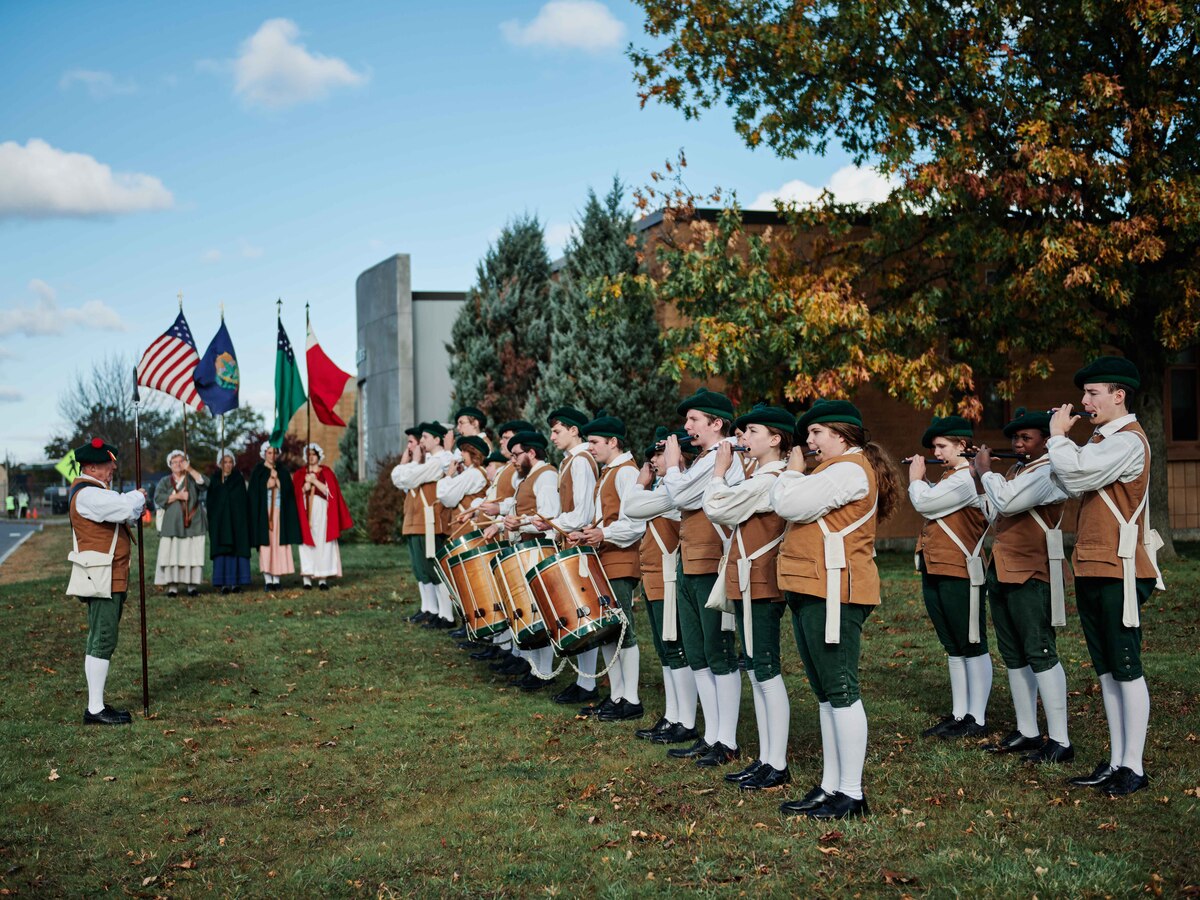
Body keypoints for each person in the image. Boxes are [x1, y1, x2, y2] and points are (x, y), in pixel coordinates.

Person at [770, 399, 902, 820]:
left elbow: (789, 505)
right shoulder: (835, 468)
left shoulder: (848, 468)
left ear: (841, 434)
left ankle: (851, 793)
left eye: (815, 433)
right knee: (827, 694)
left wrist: (790, 471)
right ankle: (831, 786)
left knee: (841, 692)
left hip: (835, 591)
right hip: (816, 586)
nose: (807, 442)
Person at [1048, 356, 1164, 796]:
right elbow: (1073, 479)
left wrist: (1059, 437)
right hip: (1095, 564)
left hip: (1120, 567)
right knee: (1107, 670)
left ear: (1119, 395)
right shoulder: (1101, 439)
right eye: (1084, 394)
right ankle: (1117, 760)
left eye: (1093, 393)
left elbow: (1077, 471)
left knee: (1127, 668)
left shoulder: (1129, 442)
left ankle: (1133, 766)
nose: (1084, 401)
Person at [973, 408, 1074, 764]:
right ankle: (1028, 729)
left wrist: (986, 472)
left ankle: (1060, 739)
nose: (1017, 443)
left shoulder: (1049, 469)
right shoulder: (1017, 470)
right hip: (1002, 570)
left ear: (1046, 441)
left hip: (1032, 572)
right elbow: (995, 513)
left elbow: (1008, 500)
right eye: (1014, 438)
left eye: (1026, 438)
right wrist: (980, 479)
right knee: (1013, 655)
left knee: (1040, 651)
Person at [704, 403, 793, 791]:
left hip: (761, 582)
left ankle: (777, 762)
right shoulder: (759, 474)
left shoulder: (772, 478)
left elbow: (716, 506)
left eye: (752, 431)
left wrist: (719, 471)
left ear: (775, 439)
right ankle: (766, 757)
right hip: (747, 580)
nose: (742, 439)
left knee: (767, 671)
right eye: (742, 433)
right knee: (757, 670)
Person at [661, 387, 745, 768]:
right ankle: (711, 735)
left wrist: (673, 463)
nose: (686, 426)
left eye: (694, 420)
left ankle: (727, 740)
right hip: (690, 562)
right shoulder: (703, 461)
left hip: (714, 563)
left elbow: (678, 497)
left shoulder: (723, 458)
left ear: (716, 423)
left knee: (719, 653)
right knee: (698, 653)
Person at [908, 416, 992, 739]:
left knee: (972, 642)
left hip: (961, 570)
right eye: (935, 447)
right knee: (953, 645)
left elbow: (925, 504)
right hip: (937, 568)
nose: (937, 452)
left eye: (943, 446)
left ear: (962, 445)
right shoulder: (949, 478)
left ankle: (978, 718)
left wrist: (916, 479)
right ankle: (960, 713)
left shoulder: (966, 479)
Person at [625, 428, 700, 745]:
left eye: (658, 455)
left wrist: (641, 484)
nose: (653, 461)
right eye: (650, 457)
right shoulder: (663, 490)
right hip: (655, 579)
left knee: (677, 649)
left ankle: (686, 719)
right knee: (666, 652)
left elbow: (631, 506)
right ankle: (673, 715)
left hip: (670, 578)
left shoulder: (673, 491)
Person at [570, 412, 646, 720]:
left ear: (613, 442)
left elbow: (635, 523)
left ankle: (632, 699)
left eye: (594, 442)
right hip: (604, 557)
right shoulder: (608, 471)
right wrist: (587, 532)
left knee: (623, 629)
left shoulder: (626, 472)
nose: (589, 447)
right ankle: (616, 696)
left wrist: (604, 533)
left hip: (622, 559)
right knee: (608, 630)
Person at [66, 437, 146, 725]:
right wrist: (138, 496)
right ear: (91, 467)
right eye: (106, 465)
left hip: (108, 574)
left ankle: (96, 705)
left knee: (101, 638)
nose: (112, 469)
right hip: (103, 576)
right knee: (102, 639)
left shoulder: (94, 491)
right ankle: (95, 709)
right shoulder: (89, 494)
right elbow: (125, 508)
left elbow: (123, 509)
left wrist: (132, 502)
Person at [541, 406, 602, 705]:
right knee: (578, 614)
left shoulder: (581, 461)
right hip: (570, 542)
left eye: (557, 430)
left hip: (580, 545)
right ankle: (584, 682)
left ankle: (588, 684)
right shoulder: (569, 462)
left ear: (574, 431)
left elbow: (583, 513)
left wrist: (554, 524)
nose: (552, 437)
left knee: (584, 613)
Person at [391, 423, 455, 628]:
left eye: (425, 437)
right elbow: (399, 479)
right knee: (422, 568)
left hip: (430, 520)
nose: (421, 442)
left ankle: (446, 615)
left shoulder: (441, 459)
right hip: (418, 519)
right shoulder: (428, 461)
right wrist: (409, 466)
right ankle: (432, 609)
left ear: (437, 440)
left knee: (434, 568)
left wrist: (411, 465)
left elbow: (407, 478)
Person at [293, 443, 353, 590]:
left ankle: (322, 579)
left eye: (313, 454)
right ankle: (307, 578)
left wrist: (314, 482)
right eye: (308, 454)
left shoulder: (326, 472)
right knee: (306, 543)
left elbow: (331, 493)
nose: (311, 457)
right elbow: (295, 495)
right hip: (306, 512)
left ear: (318, 456)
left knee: (323, 543)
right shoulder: (301, 474)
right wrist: (304, 488)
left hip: (322, 511)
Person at [247, 442, 302, 591]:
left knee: (278, 545)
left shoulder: (282, 471)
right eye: (269, 453)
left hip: (279, 514)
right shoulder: (258, 471)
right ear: (264, 453)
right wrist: (267, 484)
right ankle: (268, 580)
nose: (272, 456)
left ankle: (276, 579)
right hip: (264, 514)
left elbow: (289, 492)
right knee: (266, 546)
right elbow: (252, 494)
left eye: (274, 453)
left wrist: (277, 481)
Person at [153, 450, 208, 596]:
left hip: (193, 524)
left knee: (192, 555)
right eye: (174, 462)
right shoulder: (165, 481)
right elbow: (159, 498)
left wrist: (189, 469)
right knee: (172, 555)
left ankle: (192, 587)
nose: (178, 464)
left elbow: (205, 483)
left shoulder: (191, 478)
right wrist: (178, 496)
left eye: (181, 461)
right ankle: (172, 588)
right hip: (172, 525)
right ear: (170, 464)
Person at [207, 448, 252, 594]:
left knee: (236, 551)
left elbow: (242, 500)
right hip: (220, 523)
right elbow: (211, 502)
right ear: (219, 464)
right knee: (222, 551)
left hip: (236, 523)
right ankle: (223, 583)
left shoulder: (238, 479)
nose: (228, 464)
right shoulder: (215, 479)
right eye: (224, 462)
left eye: (230, 461)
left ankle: (236, 583)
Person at [438, 436, 489, 540]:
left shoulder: (473, 473)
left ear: (473, 453)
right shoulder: (476, 472)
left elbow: (447, 497)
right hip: (466, 529)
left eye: (464, 451)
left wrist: (449, 474)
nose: (461, 454)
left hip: (468, 530)